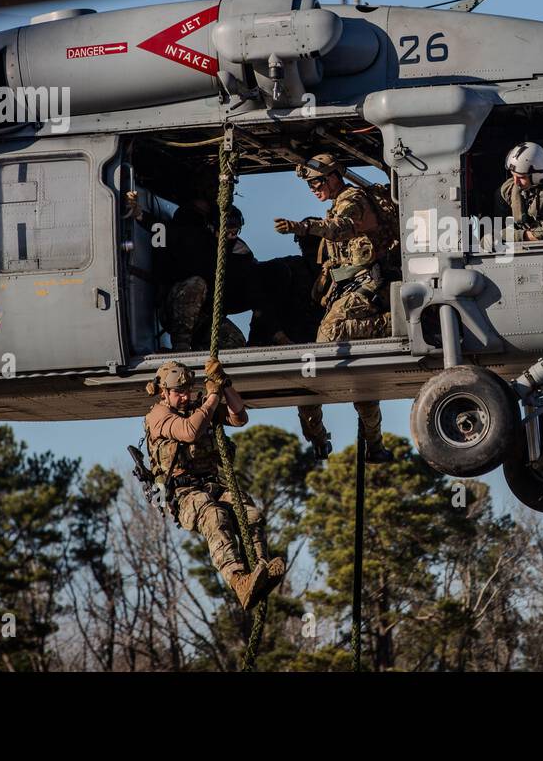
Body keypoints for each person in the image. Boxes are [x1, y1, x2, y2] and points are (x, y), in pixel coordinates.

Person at [273, 154, 395, 463]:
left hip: (368, 288)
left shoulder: (351, 198)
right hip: (348, 289)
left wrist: (303, 227)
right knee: (358, 382)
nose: (313, 188)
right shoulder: (338, 202)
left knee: (327, 340)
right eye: (310, 184)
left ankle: (393, 324)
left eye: (317, 182)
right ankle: (370, 446)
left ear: (333, 178)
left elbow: (341, 227)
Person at [143, 359, 285, 611]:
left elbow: (239, 416)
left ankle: (260, 568)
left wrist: (224, 384)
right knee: (214, 515)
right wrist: (211, 398)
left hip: (211, 485)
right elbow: (189, 432)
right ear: (164, 392)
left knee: (249, 513)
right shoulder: (158, 416)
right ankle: (237, 579)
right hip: (182, 494)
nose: (185, 397)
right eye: (178, 392)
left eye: (187, 391)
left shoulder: (200, 409)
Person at [126, 192, 248, 352]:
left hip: (202, 316)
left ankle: (201, 356)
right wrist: (137, 212)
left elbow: (250, 274)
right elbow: (160, 228)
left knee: (235, 340)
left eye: (235, 232)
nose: (231, 237)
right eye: (228, 232)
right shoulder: (191, 237)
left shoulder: (238, 251)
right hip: (174, 309)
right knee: (197, 283)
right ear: (213, 227)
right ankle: (180, 348)